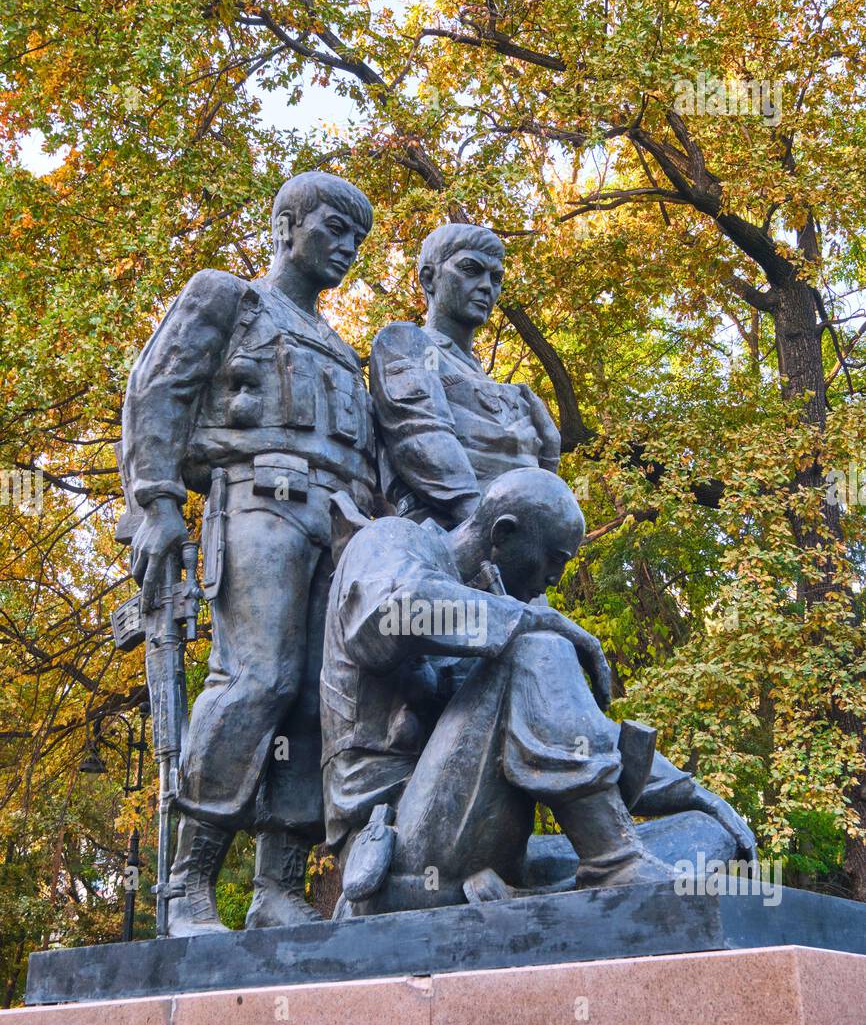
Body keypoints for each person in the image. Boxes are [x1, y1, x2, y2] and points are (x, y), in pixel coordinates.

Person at [320, 469, 756, 916]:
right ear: (503, 534)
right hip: (400, 858)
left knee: (707, 834)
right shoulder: (391, 541)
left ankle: (556, 891)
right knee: (536, 645)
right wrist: (533, 621)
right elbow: (382, 620)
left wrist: (697, 794)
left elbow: (583, 743)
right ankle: (614, 864)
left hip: (482, 853)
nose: (554, 579)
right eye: (554, 559)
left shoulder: (499, 611)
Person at [124, 172, 376, 935]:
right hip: (260, 501)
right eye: (334, 228)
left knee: (320, 701)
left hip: (343, 524)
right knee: (258, 679)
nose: (347, 248)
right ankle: (188, 883)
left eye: (358, 239)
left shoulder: (344, 350)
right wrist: (156, 502)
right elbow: (157, 389)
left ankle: (278, 886)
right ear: (287, 226)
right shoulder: (228, 299)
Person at [370, 223, 560, 527]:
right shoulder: (405, 343)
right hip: (446, 532)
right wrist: (481, 522)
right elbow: (420, 436)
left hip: (517, 535)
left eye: (496, 278)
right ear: (429, 278)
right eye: (471, 269)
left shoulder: (501, 387)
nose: (486, 286)